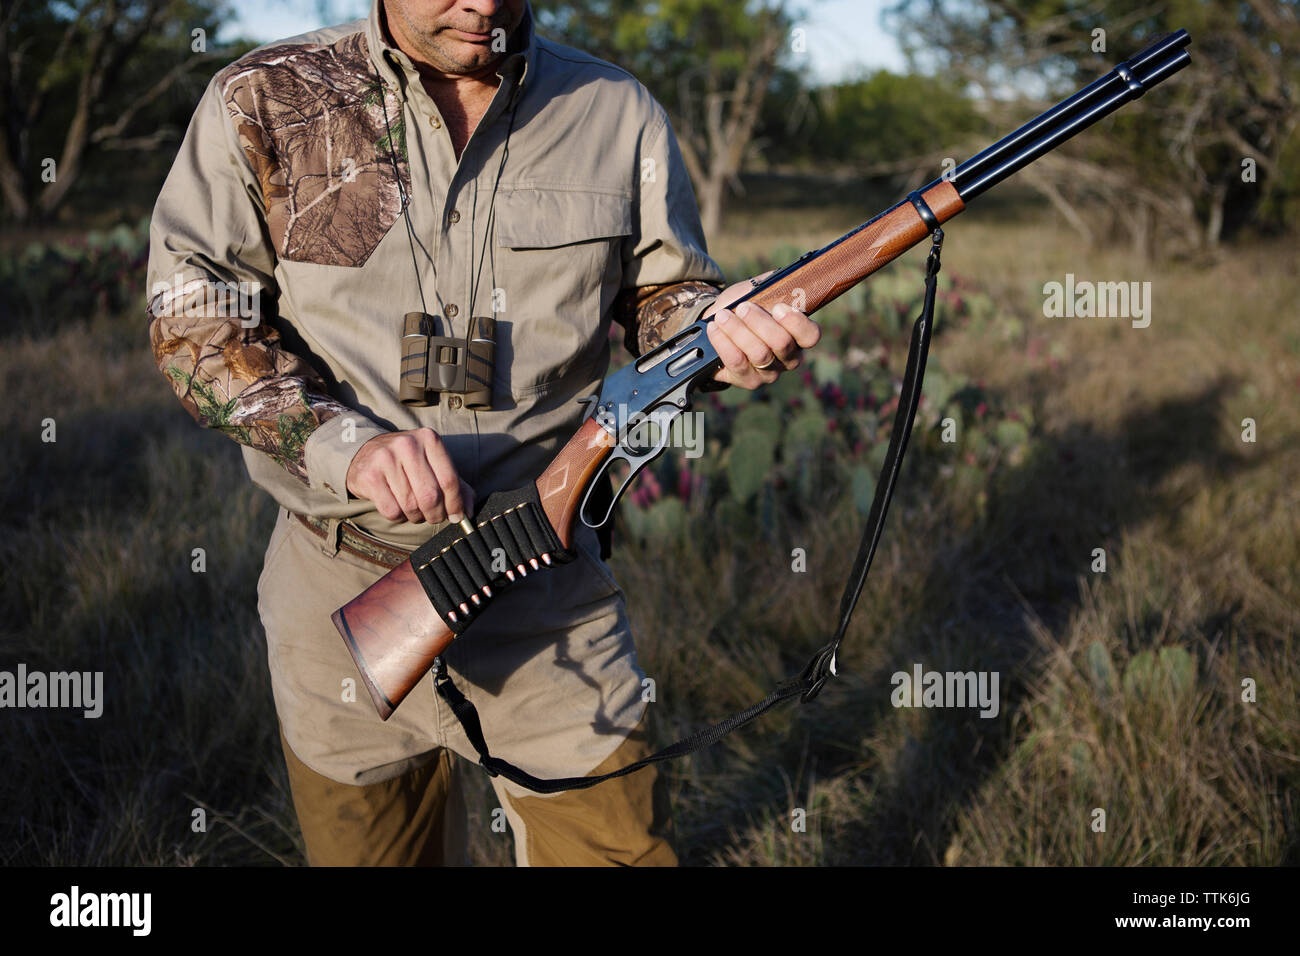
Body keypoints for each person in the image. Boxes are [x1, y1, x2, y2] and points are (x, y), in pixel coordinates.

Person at [146, 0, 820, 866]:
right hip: (338, 592)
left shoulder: (615, 109)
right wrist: (346, 448)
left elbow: (662, 300)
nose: (484, 3)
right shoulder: (265, 99)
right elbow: (194, 319)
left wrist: (717, 329)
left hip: (545, 588)